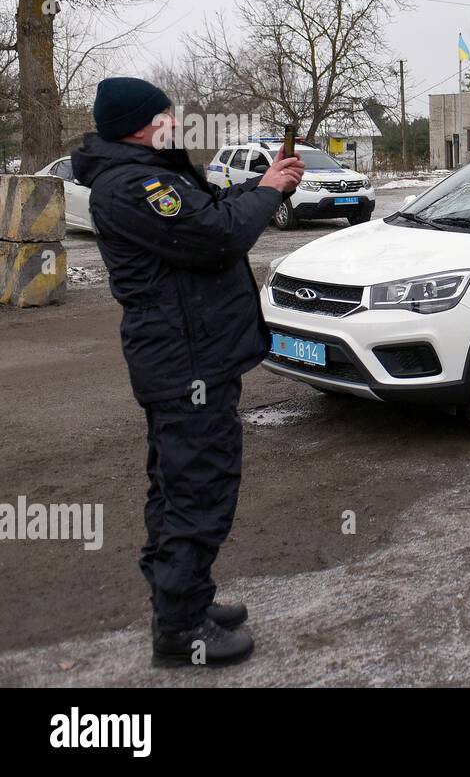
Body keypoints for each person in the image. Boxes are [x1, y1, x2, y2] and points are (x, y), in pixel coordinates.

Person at [71, 77, 303, 667]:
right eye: (167, 113)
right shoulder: (135, 184)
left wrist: (260, 185)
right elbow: (217, 235)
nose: (177, 120)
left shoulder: (151, 173)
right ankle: (180, 629)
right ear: (142, 123)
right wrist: (271, 190)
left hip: (192, 357)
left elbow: (212, 214)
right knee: (198, 486)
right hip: (185, 363)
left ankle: (185, 600)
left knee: (180, 482)